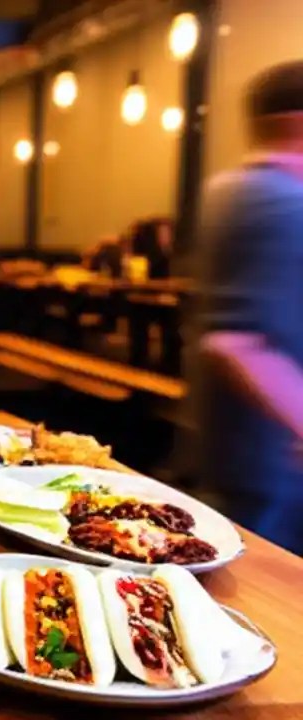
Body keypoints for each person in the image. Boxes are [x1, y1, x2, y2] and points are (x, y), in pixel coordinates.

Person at [188, 61, 303, 555]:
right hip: (268, 456)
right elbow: (236, 342)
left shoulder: (230, 190)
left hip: (236, 446)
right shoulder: (280, 200)